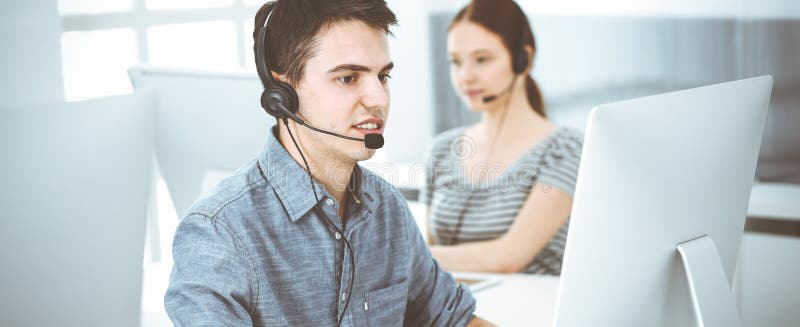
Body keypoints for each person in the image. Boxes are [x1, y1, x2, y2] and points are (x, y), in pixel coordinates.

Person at [164, 0, 493, 326]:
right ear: (282, 93)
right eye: (348, 78)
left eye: (382, 76)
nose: (379, 98)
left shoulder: (387, 210)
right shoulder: (218, 233)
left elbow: (453, 318)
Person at [422, 0, 583, 275]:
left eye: (482, 59)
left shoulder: (566, 149)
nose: (465, 76)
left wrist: (406, 256)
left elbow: (509, 257)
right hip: (456, 300)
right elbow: (429, 261)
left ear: (523, 60)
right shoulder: (441, 150)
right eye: (456, 62)